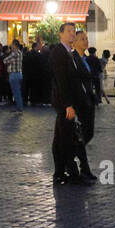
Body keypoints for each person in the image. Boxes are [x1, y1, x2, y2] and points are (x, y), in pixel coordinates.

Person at [48, 23, 91, 185]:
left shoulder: (68, 53)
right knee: (64, 138)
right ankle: (68, 173)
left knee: (61, 137)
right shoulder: (59, 52)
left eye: (73, 31)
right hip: (63, 103)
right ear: (60, 34)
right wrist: (67, 105)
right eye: (68, 31)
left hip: (67, 102)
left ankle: (61, 172)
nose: (72, 34)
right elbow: (61, 81)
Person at [69, 30, 99, 182]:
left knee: (89, 133)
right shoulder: (73, 59)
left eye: (86, 39)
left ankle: (69, 157)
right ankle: (84, 168)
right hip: (79, 101)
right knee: (82, 135)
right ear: (74, 43)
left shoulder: (87, 59)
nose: (85, 41)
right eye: (82, 39)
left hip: (89, 100)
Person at [4, 40, 25, 112]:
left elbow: (5, 60)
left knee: (16, 92)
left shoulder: (15, 53)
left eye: (11, 44)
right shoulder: (20, 52)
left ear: (14, 45)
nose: (10, 46)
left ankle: (19, 107)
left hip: (14, 74)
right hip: (18, 73)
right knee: (17, 91)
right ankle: (19, 106)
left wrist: (7, 54)